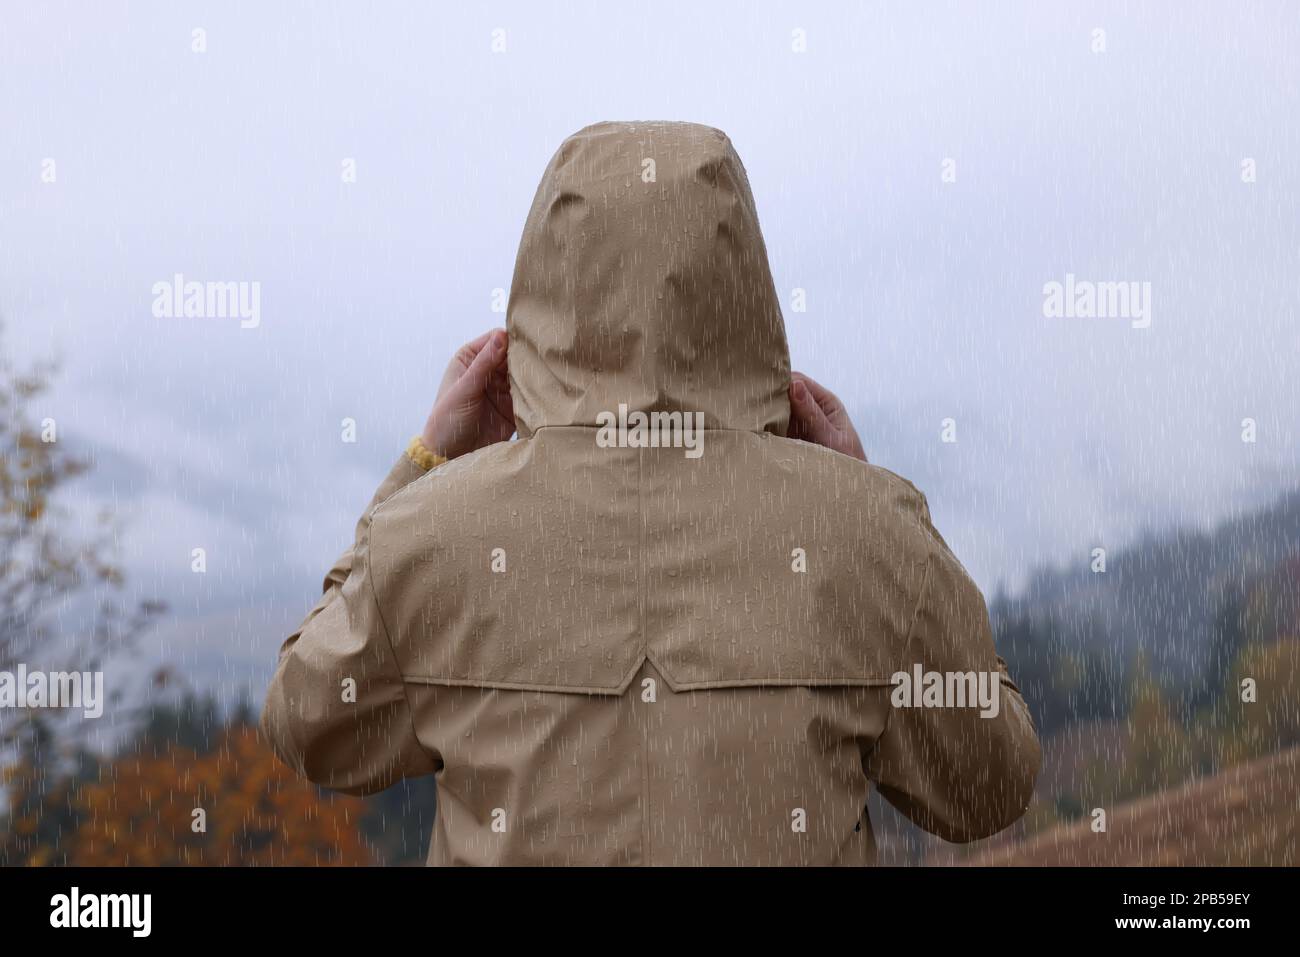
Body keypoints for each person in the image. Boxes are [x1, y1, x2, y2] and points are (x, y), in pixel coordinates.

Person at [261, 121, 1040, 865]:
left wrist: (428, 461)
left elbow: (309, 722)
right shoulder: (866, 532)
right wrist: (872, 506)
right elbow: (989, 783)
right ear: (743, 277)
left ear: (544, 280)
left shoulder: (429, 537)